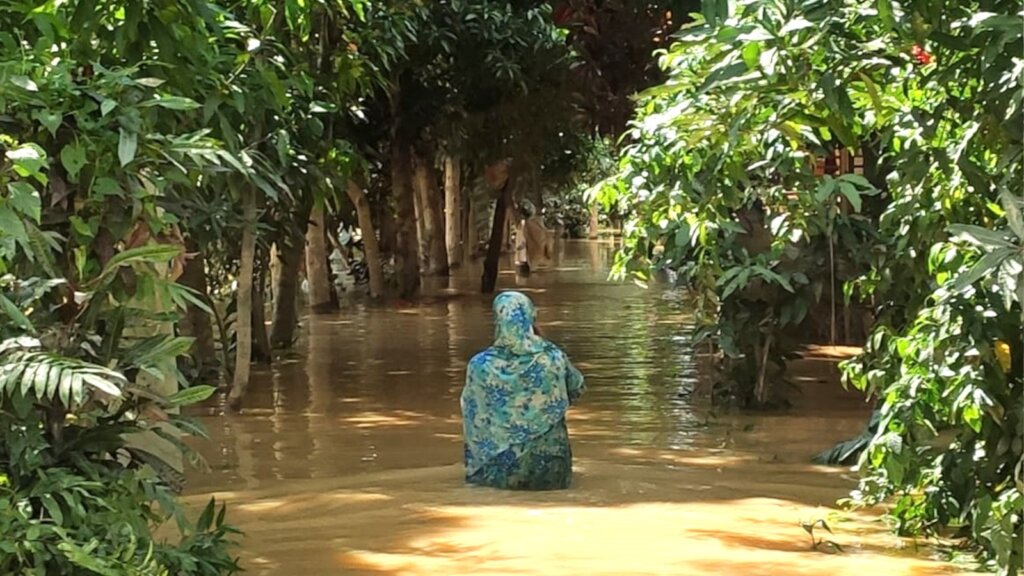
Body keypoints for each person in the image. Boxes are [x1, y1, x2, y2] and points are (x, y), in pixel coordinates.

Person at [461, 291, 585, 490]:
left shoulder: (479, 365)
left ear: (498, 320)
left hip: (498, 469)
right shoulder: (552, 357)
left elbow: (473, 409)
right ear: (530, 316)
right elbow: (576, 387)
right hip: (550, 466)